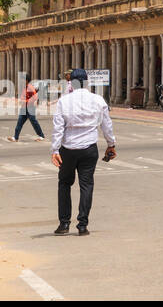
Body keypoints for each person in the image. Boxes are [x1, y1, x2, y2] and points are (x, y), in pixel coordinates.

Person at [50, 68, 116, 236]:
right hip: (89, 148)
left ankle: (64, 224)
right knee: (86, 185)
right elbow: (106, 124)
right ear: (87, 82)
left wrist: (55, 149)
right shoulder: (97, 99)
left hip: (68, 149)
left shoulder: (64, 101)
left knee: (64, 184)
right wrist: (111, 144)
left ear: (70, 83)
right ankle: (82, 225)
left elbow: (58, 128)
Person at [9, 77, 45, 142]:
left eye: (23, 80)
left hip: (30, 108)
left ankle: (41, 136)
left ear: (26, 80)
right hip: (24, 108)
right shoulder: (25, 87)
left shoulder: (30, 87)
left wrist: (26, 101)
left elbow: (35, 97)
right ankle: (15, 137)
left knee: (34, 122)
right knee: (19, 122)